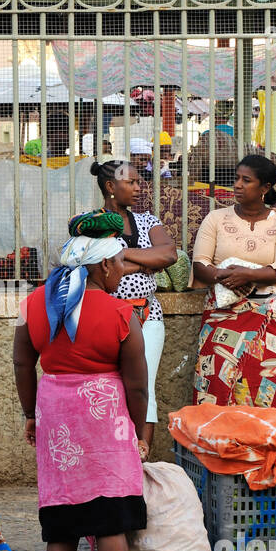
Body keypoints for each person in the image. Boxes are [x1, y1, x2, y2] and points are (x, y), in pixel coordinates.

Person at [13, 210, 167, 551]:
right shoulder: (121, 314)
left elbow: (23, 362)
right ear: (103, 265)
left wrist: (30, 413)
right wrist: (139, 431)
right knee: (109, 519)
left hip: (55, 410)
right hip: (104, 419)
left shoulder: (35, 304)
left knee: (61, 518)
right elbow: (137, 386)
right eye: (121, 263)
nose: (125, 270)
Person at [191, 154, 276, 409]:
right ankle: (217, 447)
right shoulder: (216, 219)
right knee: (216, 390)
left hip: (267, 320)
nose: (237, 185)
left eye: (246, 180)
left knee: (265, 394)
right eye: (237, 178)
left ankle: (261, 449)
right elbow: (200, 263)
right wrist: (226, 275)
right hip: (221, 319)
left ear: (265, 188)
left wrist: (246, 274)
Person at [94, 160, 178, 450]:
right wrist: (145, 261)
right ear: (111, 187)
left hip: (146, 314)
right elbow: (95, 267)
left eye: (138, 181)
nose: (138, 187)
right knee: (108, 389)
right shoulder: (93, 223)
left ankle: (139, 462)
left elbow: (168, 254)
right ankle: (111, 456)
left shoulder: (147, 221)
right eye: (131, 182)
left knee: (144, 389)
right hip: (106, 316)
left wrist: (121, 255)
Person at [184, 101, 238, 185]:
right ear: (228, 118)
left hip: (209, 178)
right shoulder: (237, 134)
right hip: (233, 178)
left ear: (215, 117)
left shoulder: (206, 134)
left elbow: (198, 157)